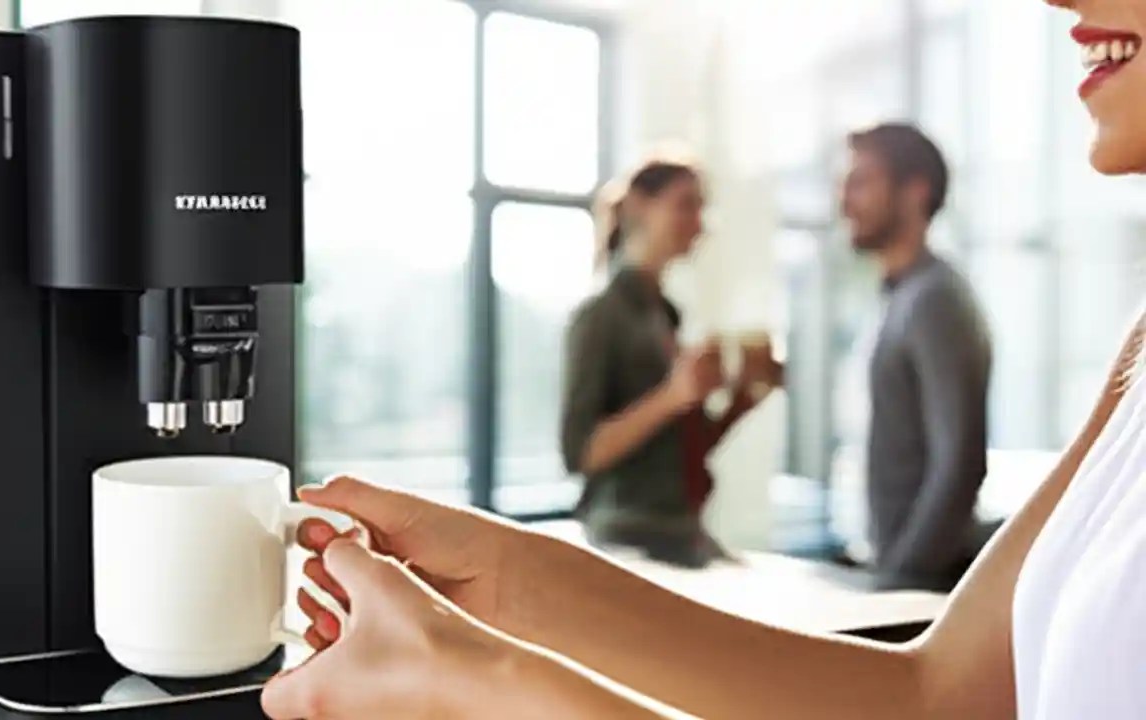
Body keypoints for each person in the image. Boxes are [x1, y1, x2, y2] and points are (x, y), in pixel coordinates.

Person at [262, 0, 1146, 716]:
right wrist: (505, 581)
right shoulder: (1137, 341)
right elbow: (929, 695)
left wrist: (478, 678)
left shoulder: (919, 304)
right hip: (641, 540)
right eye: (688, 205)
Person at [560, 158, 777, 567]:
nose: (700, 223)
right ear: (640, 206)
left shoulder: (666, 314)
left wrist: (741, 400)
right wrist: (673, 396)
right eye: (686, 204)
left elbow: (677, 451)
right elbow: (580, 453)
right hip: (628, 538)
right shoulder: (599, 315)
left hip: (679, 530)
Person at [840, 123, 994, 591]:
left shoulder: (935, 299)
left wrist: (899, 583)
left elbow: (959, 465)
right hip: (892, 571)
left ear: (915, 192)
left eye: (861, 182)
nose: (844, 201)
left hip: (919, 589)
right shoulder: (899, 296)